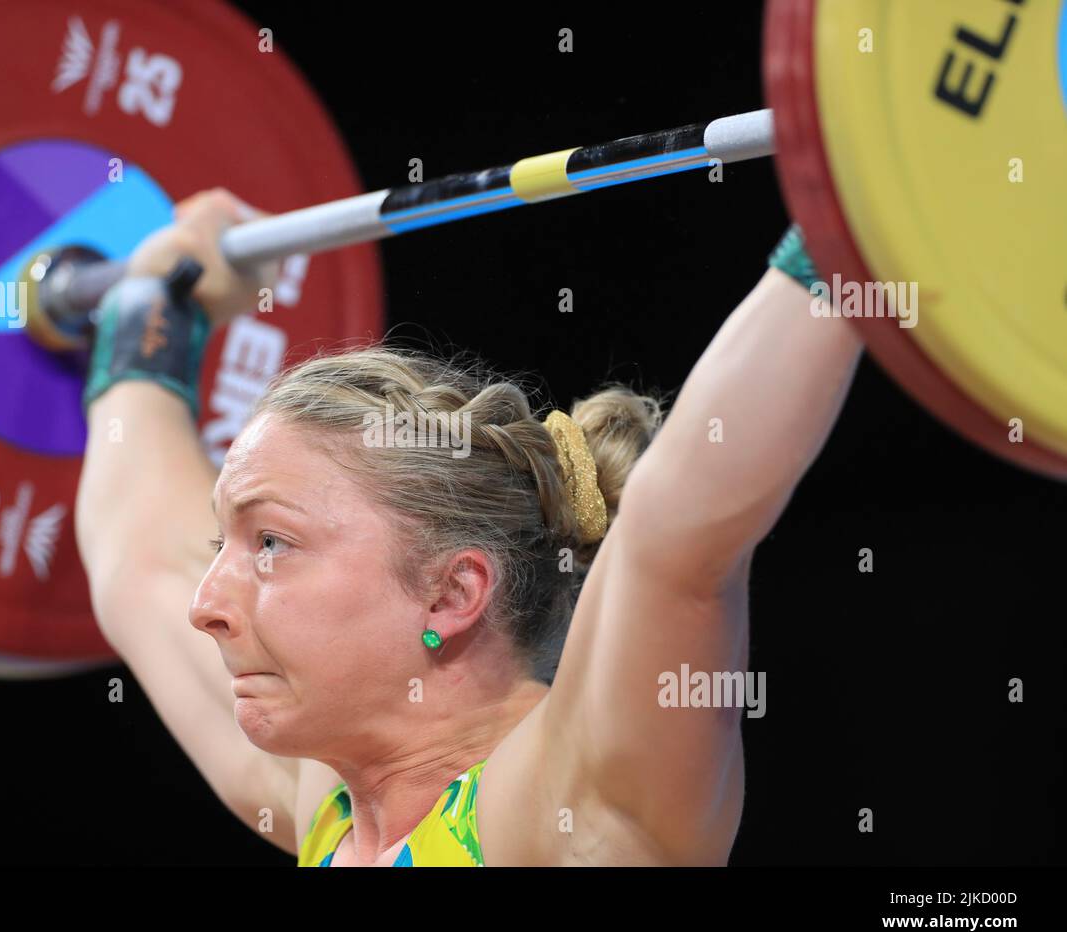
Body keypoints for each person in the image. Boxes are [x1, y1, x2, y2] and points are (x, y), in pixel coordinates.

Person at [74, 188, 862, 866]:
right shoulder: (328, 804)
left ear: (452, 593)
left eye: (271, 544)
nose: (206, 603)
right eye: (225, 545)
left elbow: (682, 530)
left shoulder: (571, 817)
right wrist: (154, 309)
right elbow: (140, 560)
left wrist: (851, 221)